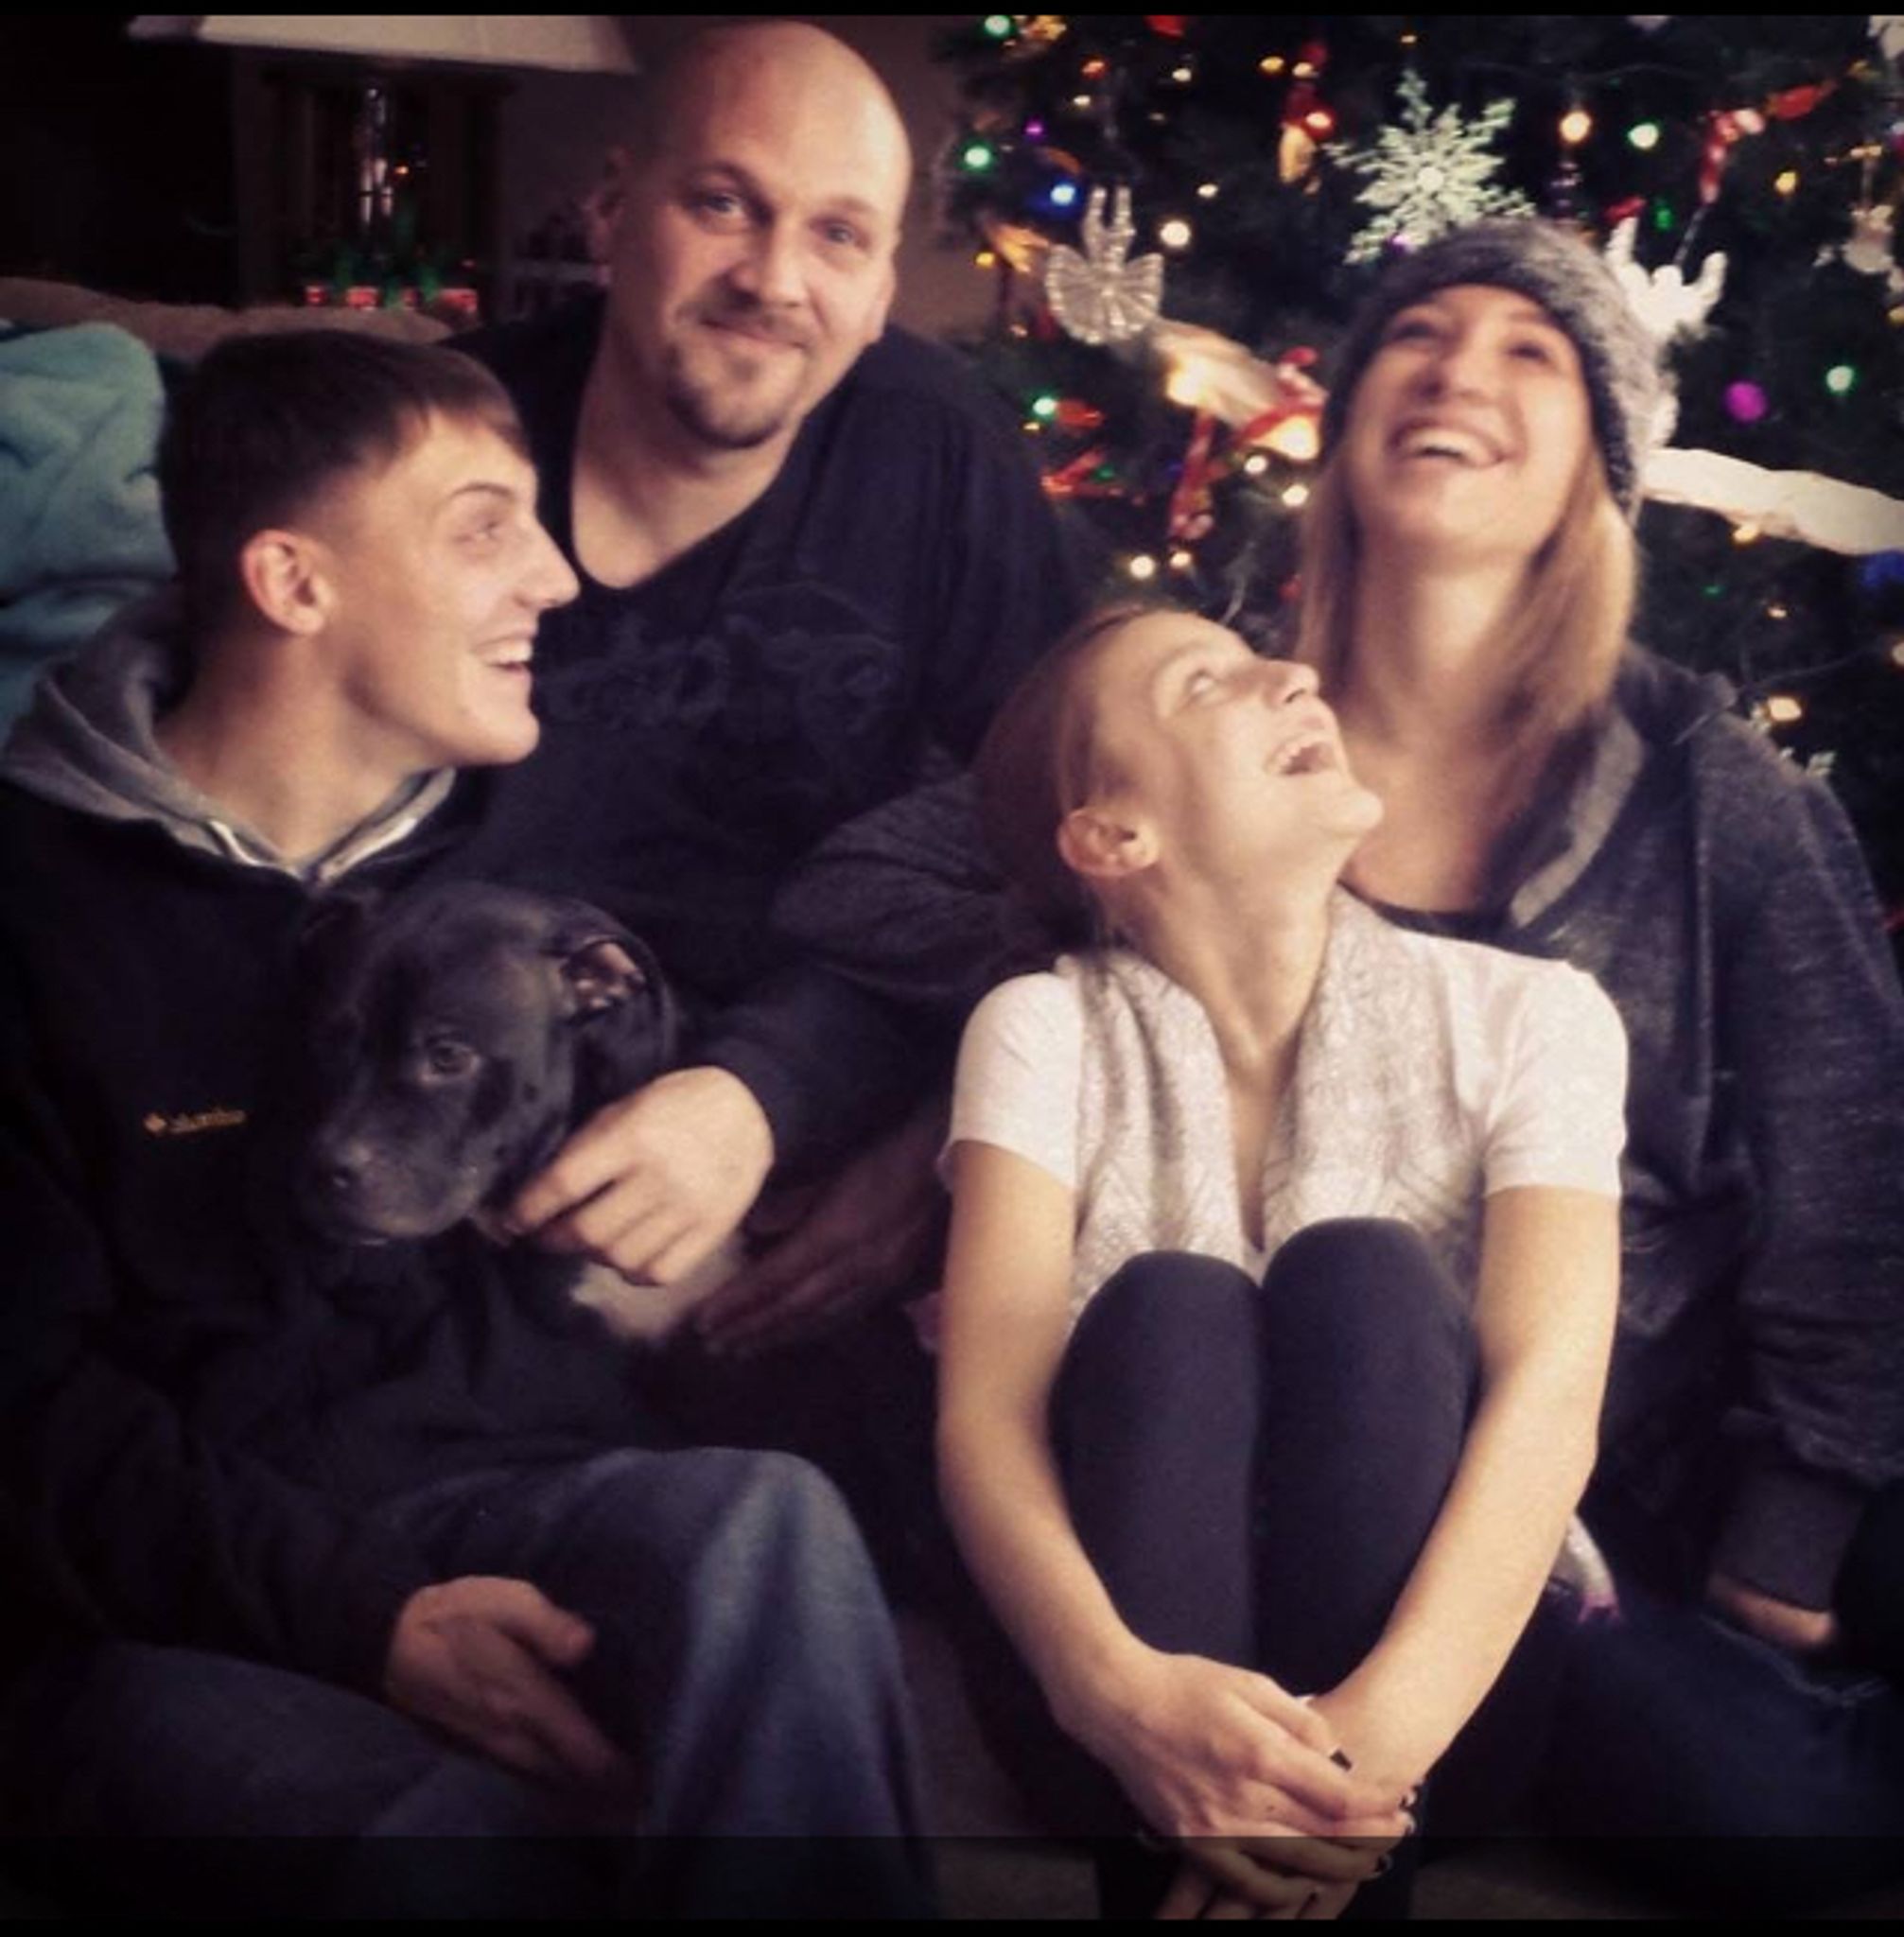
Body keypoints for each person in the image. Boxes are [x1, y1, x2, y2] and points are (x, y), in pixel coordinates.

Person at [0, 331, 929, 1917]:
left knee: (761, 1528)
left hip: (505, 1483)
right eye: (483, 528)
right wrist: (366, 1618)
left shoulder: (539, 822)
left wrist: (744, 1099)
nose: (554, 581)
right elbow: (27, 1420)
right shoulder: (35, 919)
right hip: (162, 1593)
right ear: (294, 583)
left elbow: (866, 952)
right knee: (459, 1851)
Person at [938, 602, 1630, 1917]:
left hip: (1440, 1705)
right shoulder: (1041, 1032)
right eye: (1205, 684)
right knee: (1171, 1302)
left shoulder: (1533, 1017)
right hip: (1108, 1700)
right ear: (1112, 837)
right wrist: (1121, 1699)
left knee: (1362, 1275)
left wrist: (1348, 1767)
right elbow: (985, 1419)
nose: (1293, 675)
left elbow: (1549, 1403)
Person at [450, 21, 1081, 1363]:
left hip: (804, 1155)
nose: (774, 280)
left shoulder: (938, 459)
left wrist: (914, 1147)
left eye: (838, 236)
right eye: (724, 204)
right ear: (612, 209)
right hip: (459, 1138)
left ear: (880, 284)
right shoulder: (449, 448)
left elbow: (1072, 848)